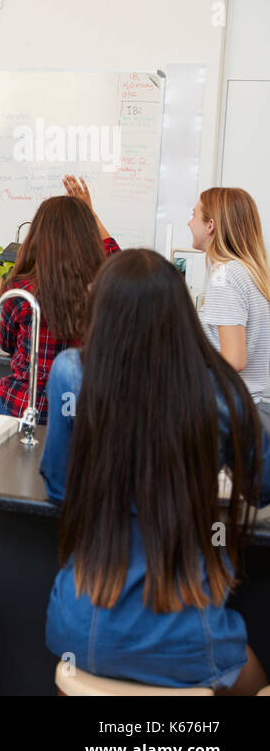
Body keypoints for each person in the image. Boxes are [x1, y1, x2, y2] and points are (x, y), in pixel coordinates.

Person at [42, 248, 270, 693]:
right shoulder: (220, 391)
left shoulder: (71, 372)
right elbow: (262, 487)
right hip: (186, 638)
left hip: (81, 628)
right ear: (183, 314)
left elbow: (58, 487)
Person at [0, 176, 119, 425]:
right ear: (88, 237)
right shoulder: (103, 288)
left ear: (37, 235)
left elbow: (6, 344)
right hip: (78, 412)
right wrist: (90, 213)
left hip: (23, 408)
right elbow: (116, 259)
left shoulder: (20, 291)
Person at [188, 187, 270, 416]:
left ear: (210, 225)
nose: (189, 222)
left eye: (194, 215)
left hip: (236, 409)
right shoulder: (251, 273)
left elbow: (234, 359)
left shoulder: (225, 277)